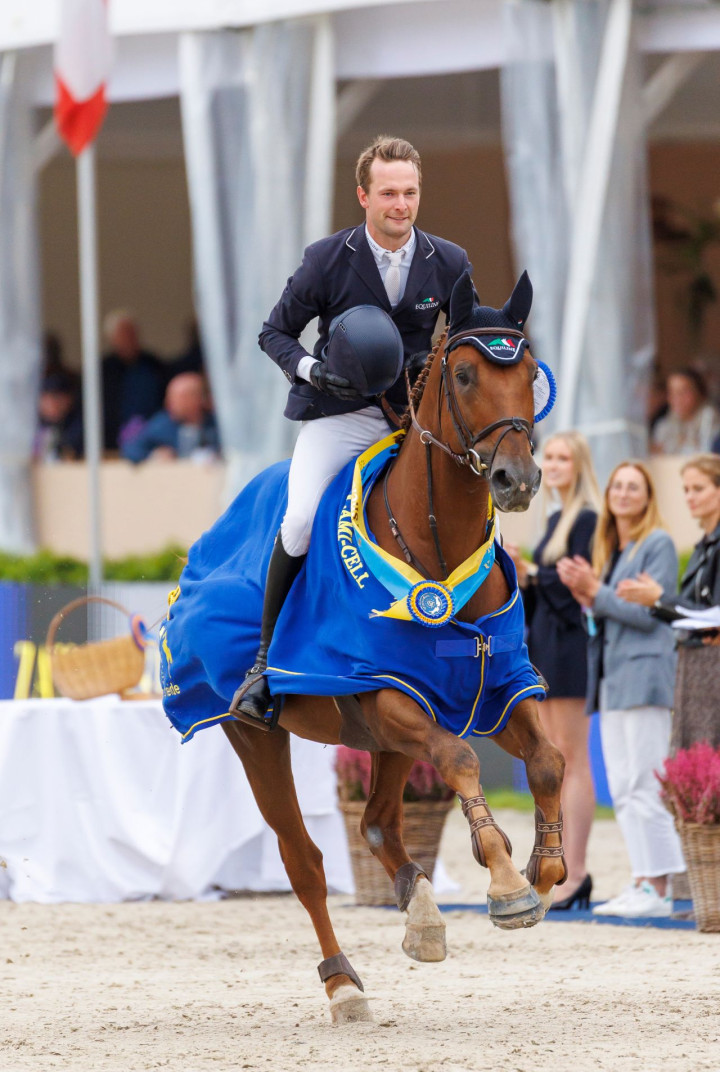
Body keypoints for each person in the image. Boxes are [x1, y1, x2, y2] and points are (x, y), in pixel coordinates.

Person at [235, 135, 471, 722]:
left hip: (416, 422)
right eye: (389, 192)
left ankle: (485, 649)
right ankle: (265, 664)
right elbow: (274, 333)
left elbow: (464, 345)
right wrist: (314, 370)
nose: (401, 204)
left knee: (470, 505)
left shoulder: (450, 261)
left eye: (410, 192)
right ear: (363, 195)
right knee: (301, 519)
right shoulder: (326, 258)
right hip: (340, 416)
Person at [557, 461, 686, 918]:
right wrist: (590, 600)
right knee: (624, 784)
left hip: (644, 677)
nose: (624, 493)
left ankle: (660, 885)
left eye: (634, 487)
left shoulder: (658, 544)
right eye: (618, 486)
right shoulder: (614, 549)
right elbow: (611, 612)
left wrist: (597, 591)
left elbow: (651, 613)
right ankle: (641, 878)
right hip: (611, 678)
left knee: (645, 781)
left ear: (648, 497)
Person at [506, 431, 600, 911]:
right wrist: (530, 577)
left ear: (579, 465)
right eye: (552, 457)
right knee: (559, 757)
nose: (556, 464)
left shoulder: (585, 519)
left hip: (568, 647)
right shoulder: (557, 519)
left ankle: (576, 869)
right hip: (548, 644)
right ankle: (563, 865)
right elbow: (549, 589)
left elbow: (573, 590)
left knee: (571, 758)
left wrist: (534, 575)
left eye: (565, 458)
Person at [617, 453, 720, 748]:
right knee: (693, 760)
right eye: (686, 489)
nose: (690, 497)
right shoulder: (703, 545)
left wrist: (659, 600)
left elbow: (714, 616)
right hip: (695, 661)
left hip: (711, 666)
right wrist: (657, 602)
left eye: (698, 489)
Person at [101, 309, 166, 451]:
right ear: (112, 338)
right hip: (110, 441)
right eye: (122, 334)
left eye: (131, 333)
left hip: (150, 439)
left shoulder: (153, 365)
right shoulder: (102, 370)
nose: (128, 338)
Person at [120, 372, 220, 464]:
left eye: (179, 398)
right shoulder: (162, 425)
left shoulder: (217, 426)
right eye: (170, 397)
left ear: (197, 399)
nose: (170, 403)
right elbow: (131, 450)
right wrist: (154, 455)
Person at [650, 368, 720, 456]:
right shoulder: (665, 423)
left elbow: (705, 454)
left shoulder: (709, 417)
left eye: (683, 392)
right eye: (672, 392)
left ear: (699, 393)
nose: (677, 399)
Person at [33, 373, 84, 460]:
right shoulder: (29, 425)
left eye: (58, 398)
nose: (53, 405)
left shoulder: (80, 424)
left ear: (70, 399)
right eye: (46, 399)